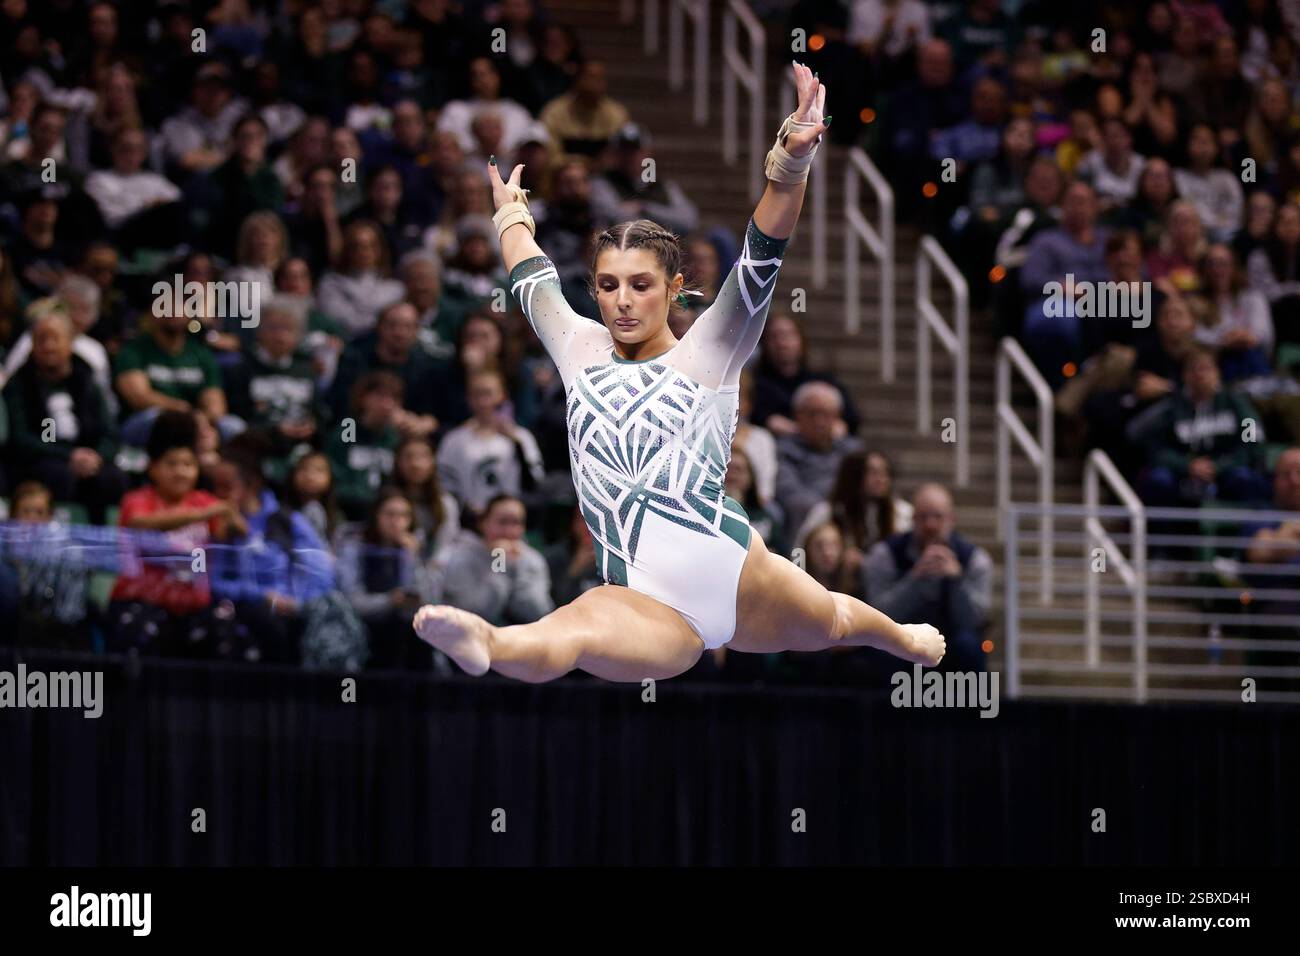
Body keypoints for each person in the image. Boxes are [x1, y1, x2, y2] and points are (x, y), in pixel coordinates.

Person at [414, 64, 946, 682]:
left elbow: (761, 251)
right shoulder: (576, 345)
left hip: (734, 573)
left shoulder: (712, 347)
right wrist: (510, 214)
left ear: (675, 288)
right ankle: (487, 640)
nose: (621, 300)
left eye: (641, 285)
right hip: (643, 601)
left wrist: (793, 159)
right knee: (577, 624)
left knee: (833, 622)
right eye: (608, 286)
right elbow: (530, 276)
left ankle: (902, 637)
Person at [862, 483, 993, 673]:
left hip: (953, 639)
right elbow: (879, 614)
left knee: (970, 645)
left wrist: (956, 580)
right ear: (912, 519)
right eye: (923, 517)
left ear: (952, 519)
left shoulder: (975, 559)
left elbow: (976, 620)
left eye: (938, 517)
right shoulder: (885, 554)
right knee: (881, 648)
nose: (930, 525)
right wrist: (915, 579)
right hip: (902, 637)